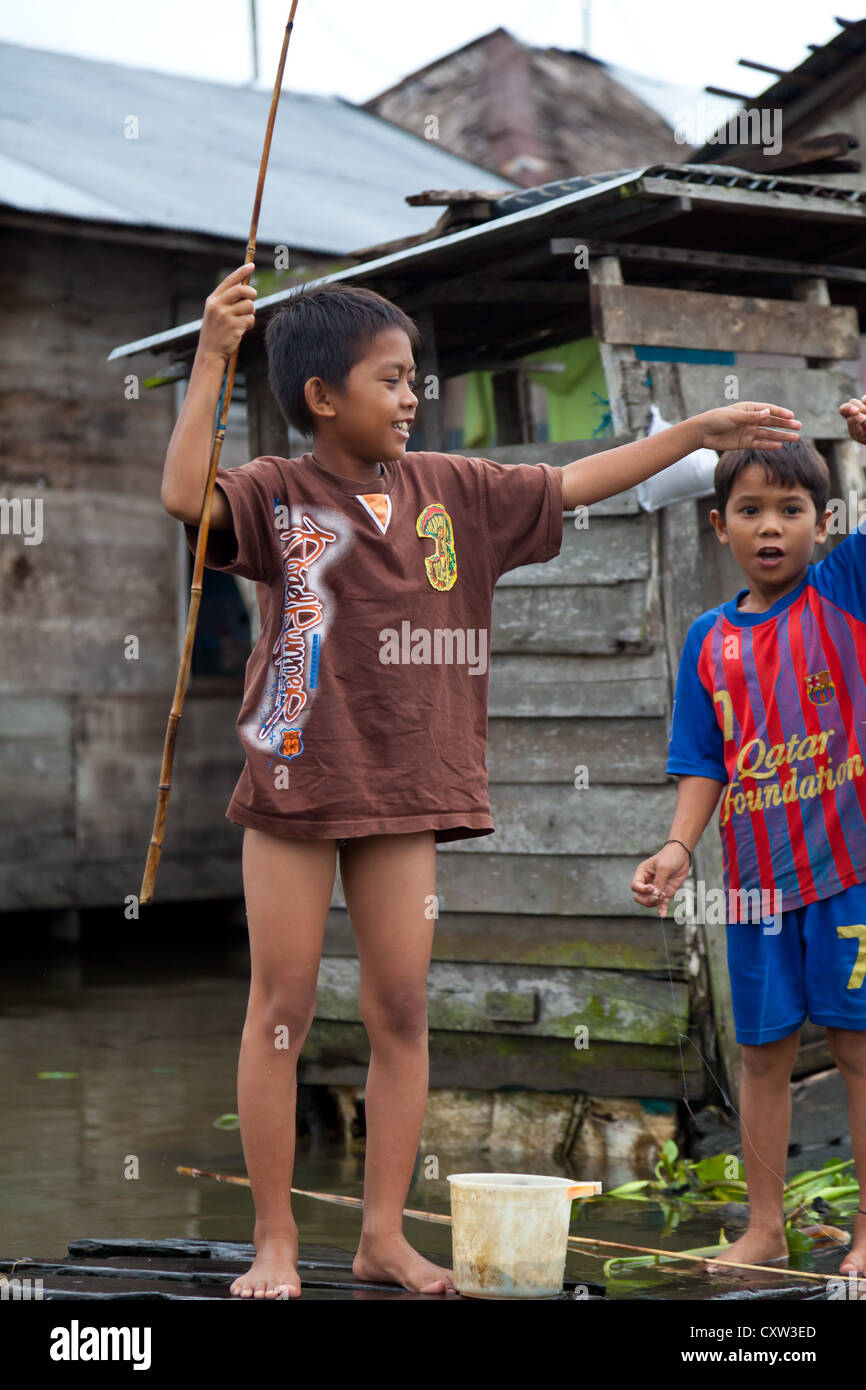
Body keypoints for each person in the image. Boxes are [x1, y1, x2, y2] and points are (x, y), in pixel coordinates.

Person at [160, 261, 801, 1298]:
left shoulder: (453, 490)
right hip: (292, 784)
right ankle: (273, 1240)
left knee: (401, 1006)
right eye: (389, 379)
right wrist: (208, 356)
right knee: (278, 1005)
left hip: (404, 789)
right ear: (322, 398)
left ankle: (380, 1236)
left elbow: (578, 480)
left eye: (415, 377)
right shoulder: (275, 492)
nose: (412, 396)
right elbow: (185, 497)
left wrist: (691, 435)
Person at [631, 405, 866, 1278]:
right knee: (761, 1055)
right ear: (718, 523)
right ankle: (765, 1227)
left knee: (857, 1047)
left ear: (824, 523)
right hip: (758, 883)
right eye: (753, 509)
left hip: (853, 870)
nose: (772, 526)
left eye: (794, 509)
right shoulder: (708, 640)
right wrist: (678, 848)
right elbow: (704, 762)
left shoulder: (845, 589)